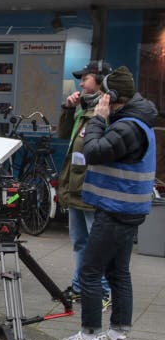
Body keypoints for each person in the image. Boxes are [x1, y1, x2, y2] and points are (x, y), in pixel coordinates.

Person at [55, 66, 157, 340]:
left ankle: (88, 338)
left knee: (89, 271)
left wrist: (98, 119)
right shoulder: (137, 119)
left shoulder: (127, 126)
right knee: (118, 272)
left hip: (115, 210)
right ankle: (117, 335)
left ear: (112, 97)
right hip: (127, 209)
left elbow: (95, 151)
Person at [58, 60, 113, 309]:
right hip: (74, 184)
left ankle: (103, 290)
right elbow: (63, 135)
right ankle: (80, 287)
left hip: (93, 187)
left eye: (86, 78)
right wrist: (69, 109)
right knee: (80, 241)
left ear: (100, 81)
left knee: (96, 243)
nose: (81, 83)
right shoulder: (82, 107)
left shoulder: (107, 110)